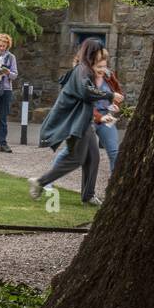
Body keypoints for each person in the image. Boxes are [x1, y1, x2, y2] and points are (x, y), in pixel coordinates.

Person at [28, 39, 107, 206]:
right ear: (93, 52)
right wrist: (109, 95)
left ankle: (88, 195)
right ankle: (40, 182)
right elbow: (86, 92)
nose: (101, 55)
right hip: (78, 123)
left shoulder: (85, 70)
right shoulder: (81, 70)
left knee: (93, 158)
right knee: (76, 158)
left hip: (85, 121)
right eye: (100, 51)